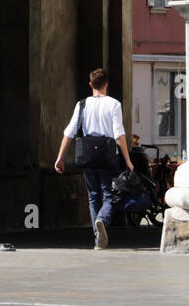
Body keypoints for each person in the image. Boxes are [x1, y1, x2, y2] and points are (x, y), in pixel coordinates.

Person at [54, 67, 133, 250]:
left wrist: (60, 157)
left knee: (93, 196)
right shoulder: (114, 104)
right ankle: (102, 220)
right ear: (106, 84)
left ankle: (98, 238)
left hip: (88, 156)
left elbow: (70, 132)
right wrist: (127, 160)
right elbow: (119, 134)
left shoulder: (81, 105)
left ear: (90, 85)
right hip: (107, 156)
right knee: (110, 194)